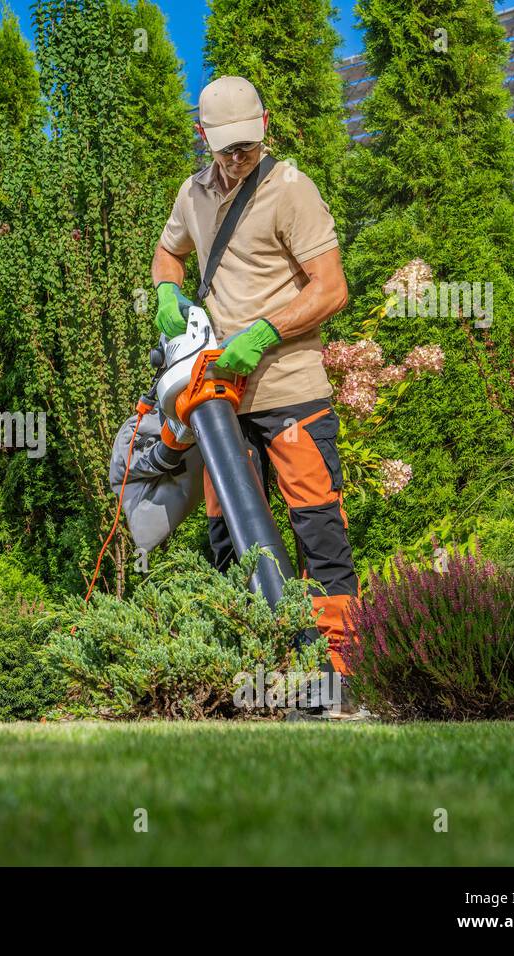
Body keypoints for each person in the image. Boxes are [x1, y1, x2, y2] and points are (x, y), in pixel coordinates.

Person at [150, 75, 359, 687]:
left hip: (291, 391)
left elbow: (332, 287)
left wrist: (265, 333)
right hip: (221, 401)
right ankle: (255, 676)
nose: (240, 157)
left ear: (264, 126)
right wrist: (166, 287)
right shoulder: (192, 194)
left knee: (317, 529)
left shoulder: (292, 190)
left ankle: (337, 676)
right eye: (227, 148)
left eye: (248, 143)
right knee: (229, 537)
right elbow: (170, 253)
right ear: (203, 137)